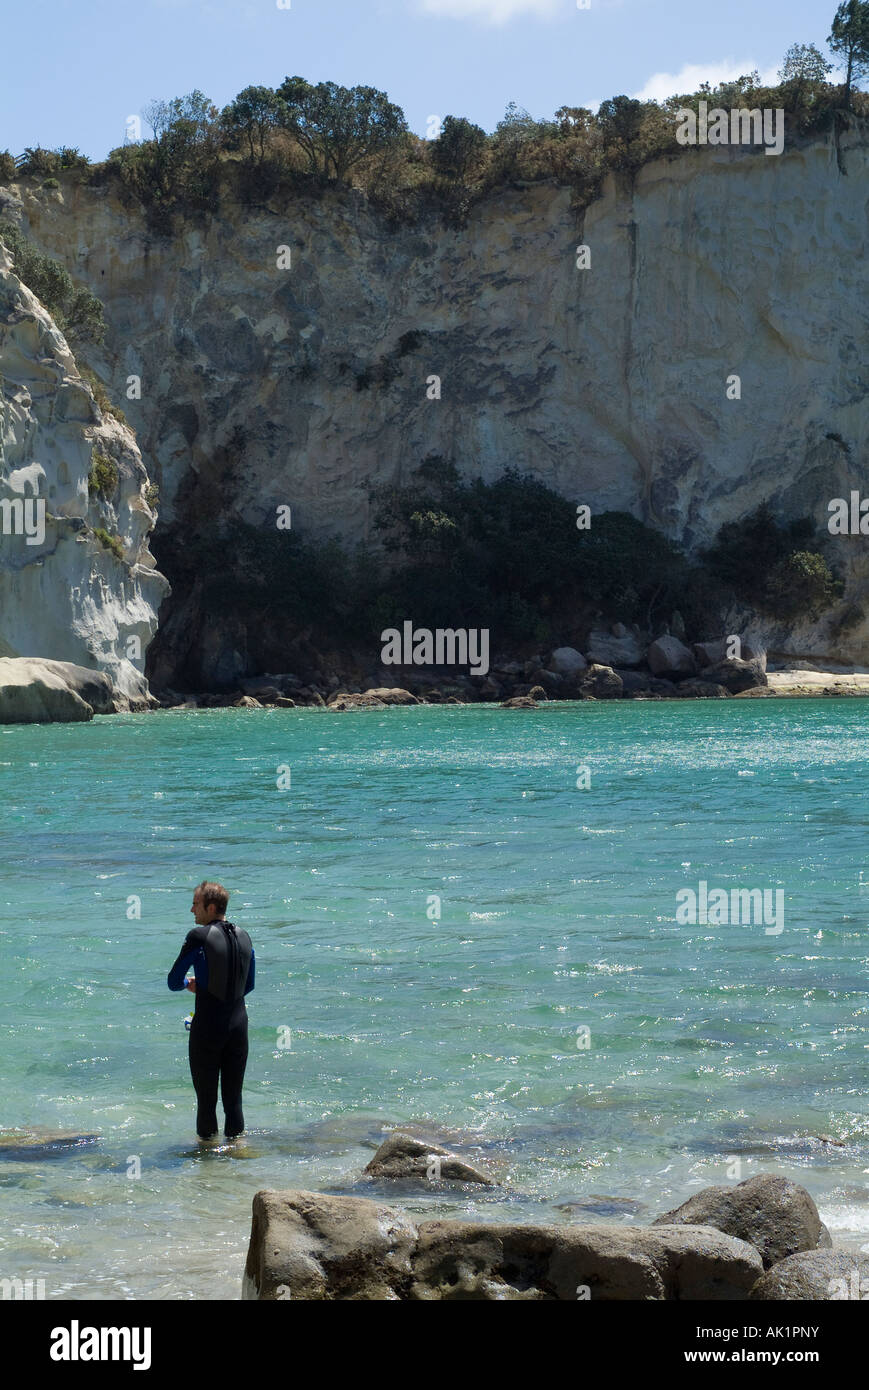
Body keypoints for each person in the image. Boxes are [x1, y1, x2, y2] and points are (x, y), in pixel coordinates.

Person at [167, 881, 255, 1142]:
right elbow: (248, 985)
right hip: (238, 1027)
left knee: (206, 1101)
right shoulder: (245, 936)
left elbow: (173, 981)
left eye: (196, 904)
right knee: (233, 1100)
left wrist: (191, 985)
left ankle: (207, 1171)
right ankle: (237, 1156)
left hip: (207, 1028)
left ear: (211, 907)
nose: (192, 909)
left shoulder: (198, 936)